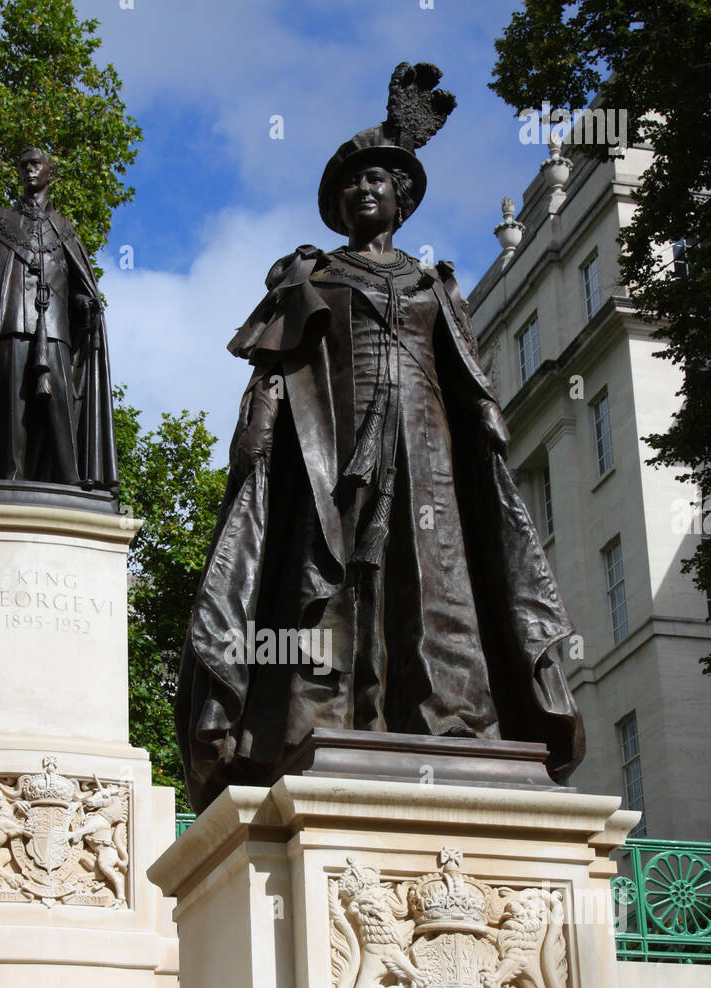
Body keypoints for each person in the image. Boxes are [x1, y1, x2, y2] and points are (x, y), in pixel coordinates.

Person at [177, 63, 584, 813]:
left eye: (378, 180)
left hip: (428, 449)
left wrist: (485, 429)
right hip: (333, 448)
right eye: (353, 183)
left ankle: (452, 720)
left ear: (402, 197)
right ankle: (320, 722)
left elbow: (467, 377)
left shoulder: (433, 285)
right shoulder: (315, 276)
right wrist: (259, 432)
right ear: (338, 204)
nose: (365, 190)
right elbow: (276, 366)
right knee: (326, 583)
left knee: (437, 577)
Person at [0, 146, 117, 504]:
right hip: (9, 324)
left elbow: (78, 287)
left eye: (36, 164)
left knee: (60, 401)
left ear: (51, 173)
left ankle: (70, 476)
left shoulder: (64, 229)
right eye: (23, 165)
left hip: (55, 329)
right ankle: (10, 478)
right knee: (13, 404)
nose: (28, 170)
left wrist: (85, 306)